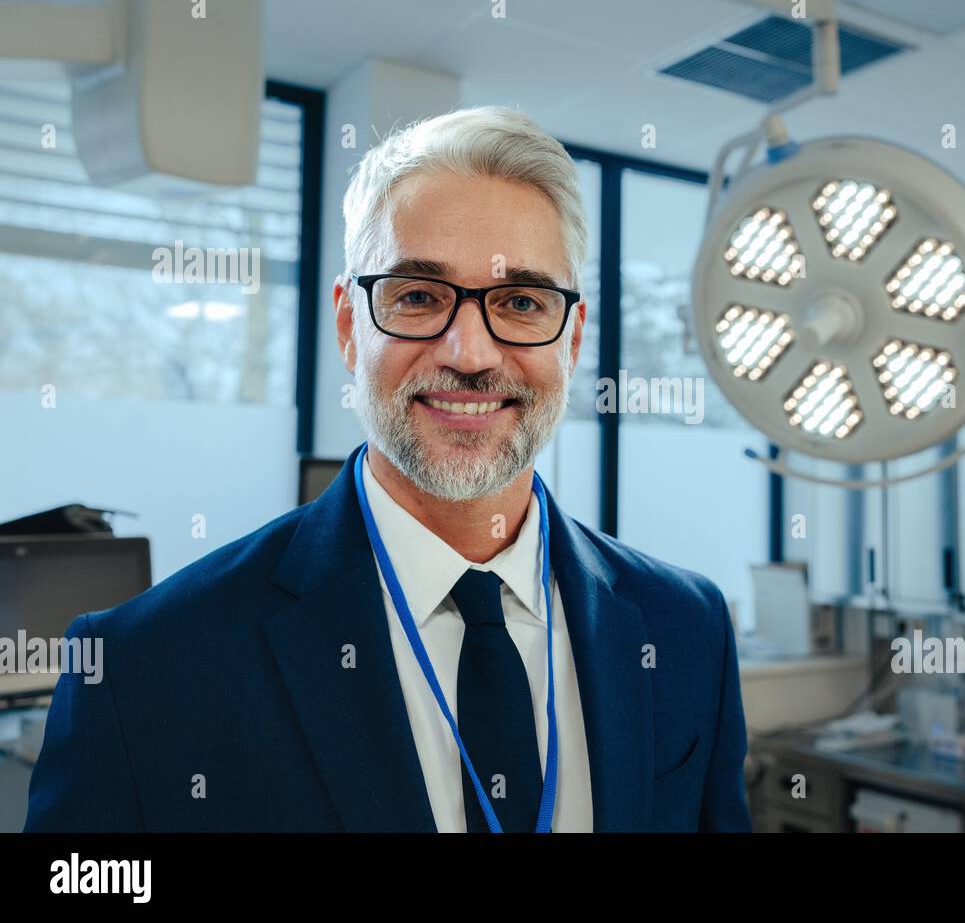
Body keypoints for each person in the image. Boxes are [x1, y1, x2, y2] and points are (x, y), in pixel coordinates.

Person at [24, 105, 751, 833]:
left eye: (522, 301)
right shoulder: (148, 668)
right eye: (419, 296)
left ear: (573, 339)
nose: (470, 354)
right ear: (348, 326)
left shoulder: (686, 628)